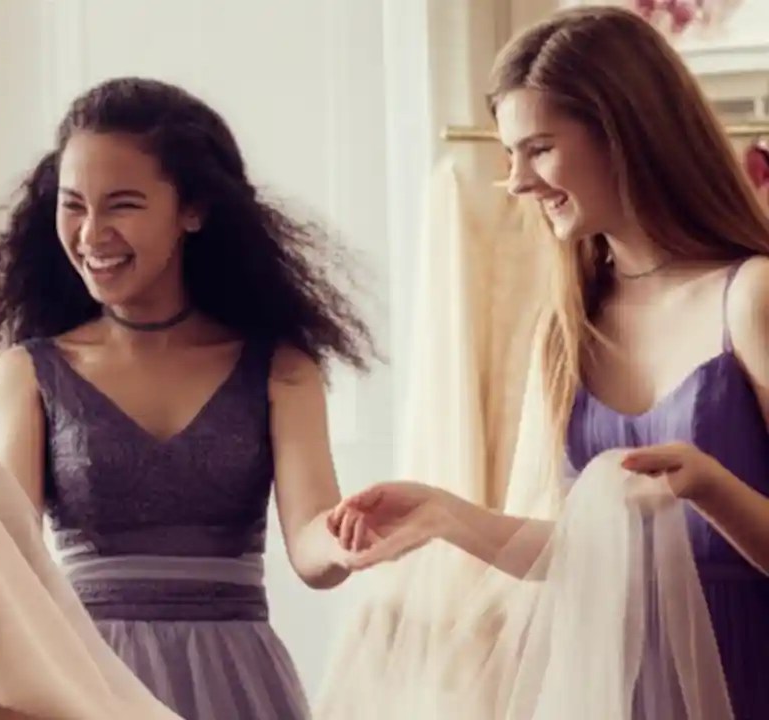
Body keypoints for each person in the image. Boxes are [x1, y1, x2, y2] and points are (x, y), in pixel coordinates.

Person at [332, 7, 769, 718]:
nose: (515, 181)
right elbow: (578, 556)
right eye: (509, 156)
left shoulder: (752, 297)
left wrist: (712, 488)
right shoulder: (567, 333)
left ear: (625, 134)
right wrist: (443, 515)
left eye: (537, 148)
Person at [0, 76, 374, 719]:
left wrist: (351, 537)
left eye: (122, 204)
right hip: (86, 683)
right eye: (73, 204)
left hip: (237, 683)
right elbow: (7, 554)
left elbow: (311, 547)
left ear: (193, 210)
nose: (91, 233)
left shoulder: (281, 368)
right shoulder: (28, 373)